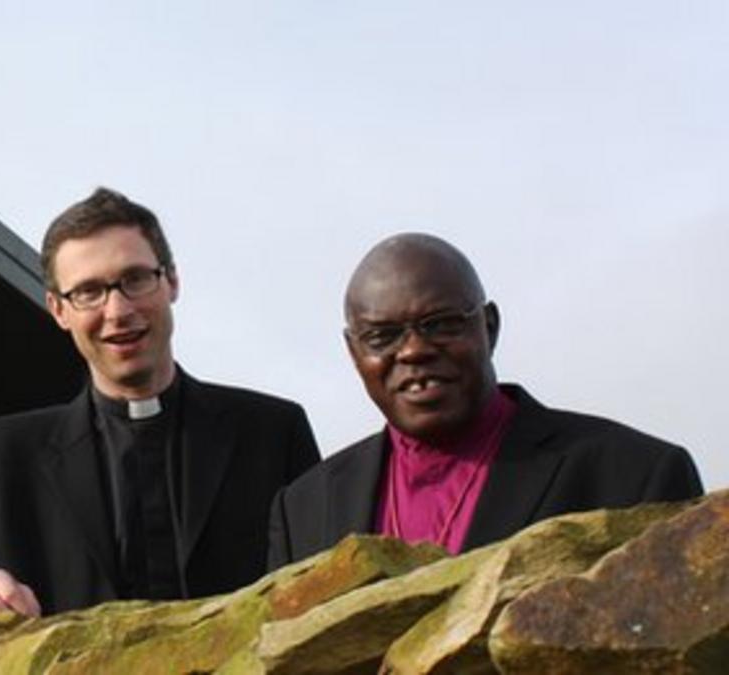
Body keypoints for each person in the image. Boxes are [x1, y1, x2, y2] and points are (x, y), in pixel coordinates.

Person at [0, 187, 320, 616]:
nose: (117, 310)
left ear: (171, 281)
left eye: (135, 279)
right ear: (58, 310)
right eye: (88, 292)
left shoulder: (273, 433)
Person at [269, 233, 703, 568]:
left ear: (489, 327)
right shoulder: (305, 508)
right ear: (354, 353)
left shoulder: (633, 474)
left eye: (441, 324)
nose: (414, 350)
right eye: (383, 336)